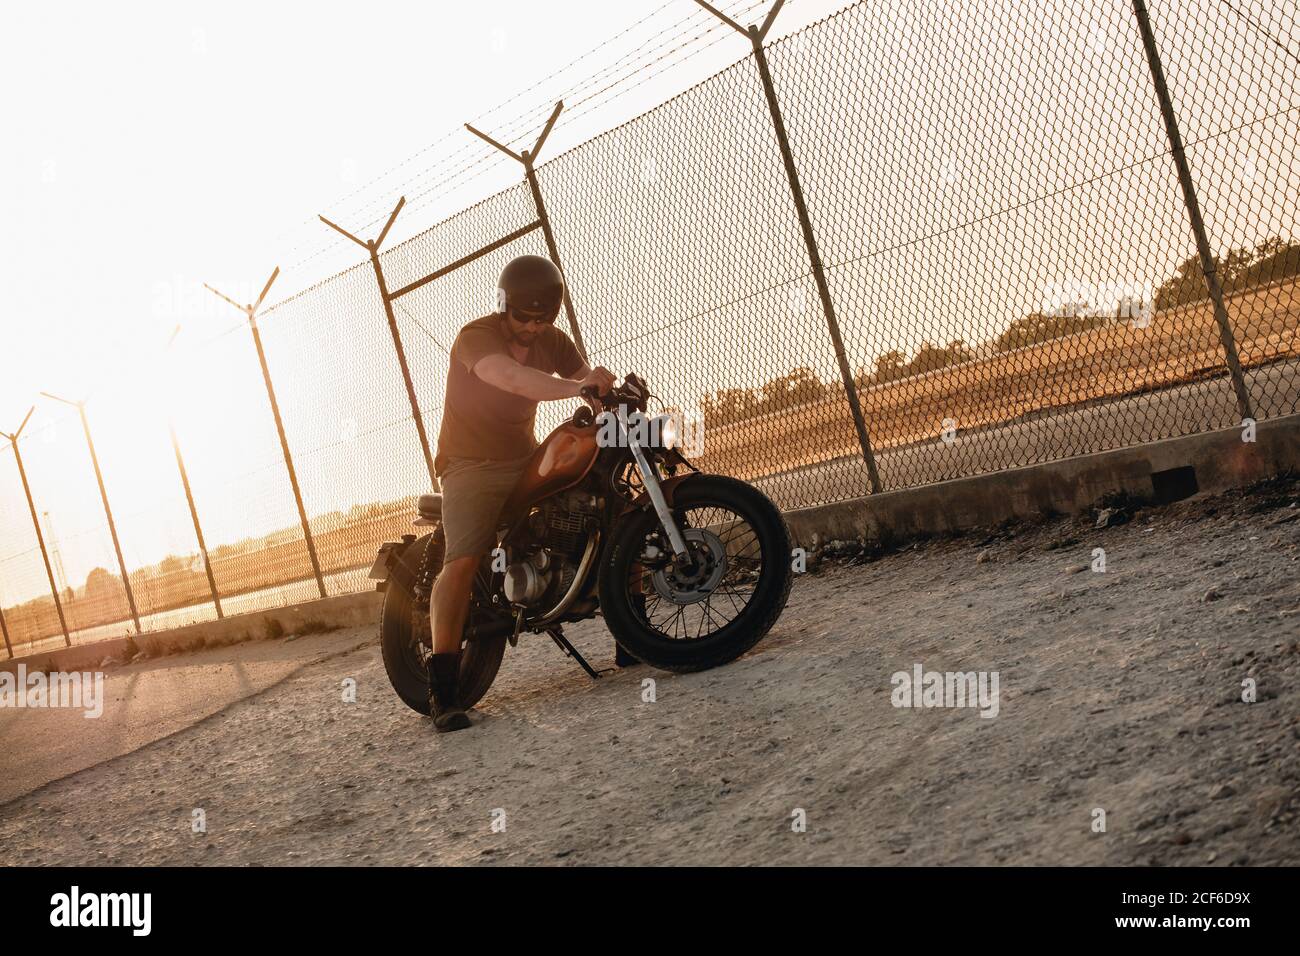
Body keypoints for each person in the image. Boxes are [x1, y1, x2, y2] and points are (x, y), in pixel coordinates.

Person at [426, 254, 617, 732]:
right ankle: (443, 689)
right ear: (504, 305)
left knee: (606, 501)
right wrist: (577, 385)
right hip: (472, 465)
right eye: (523, 317)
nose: (533, 328)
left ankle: (630, 637)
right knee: (464, 559)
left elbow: (588, 381)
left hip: (523, 456)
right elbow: (508, 377)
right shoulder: (476, 336)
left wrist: (605, 389)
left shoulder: (553, 340)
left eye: (543, 318)